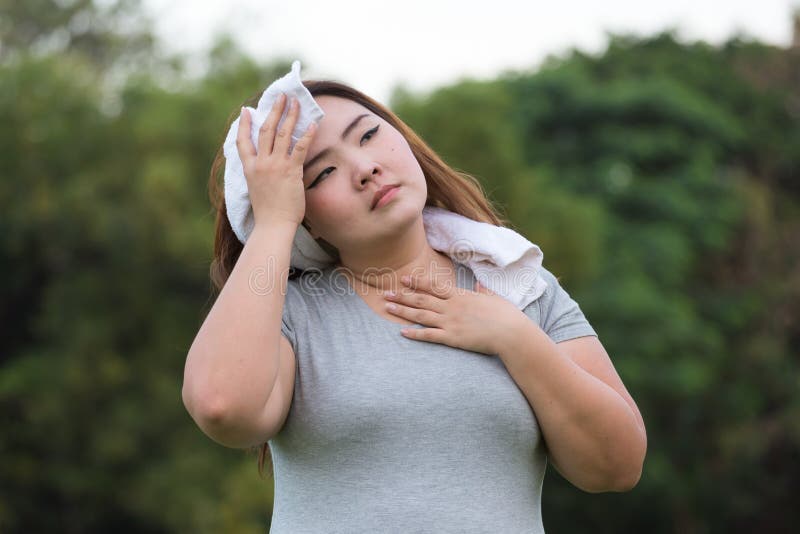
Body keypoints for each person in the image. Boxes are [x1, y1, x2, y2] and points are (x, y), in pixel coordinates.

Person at [182, 78, 647, 533]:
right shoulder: (286, 313)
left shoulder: (519, 286)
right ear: (308, 221)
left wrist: (514, 337)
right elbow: (223, 407)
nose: (365, 168)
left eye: (368, 134)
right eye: (323, 173)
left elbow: (617, 465)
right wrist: (273, 223)